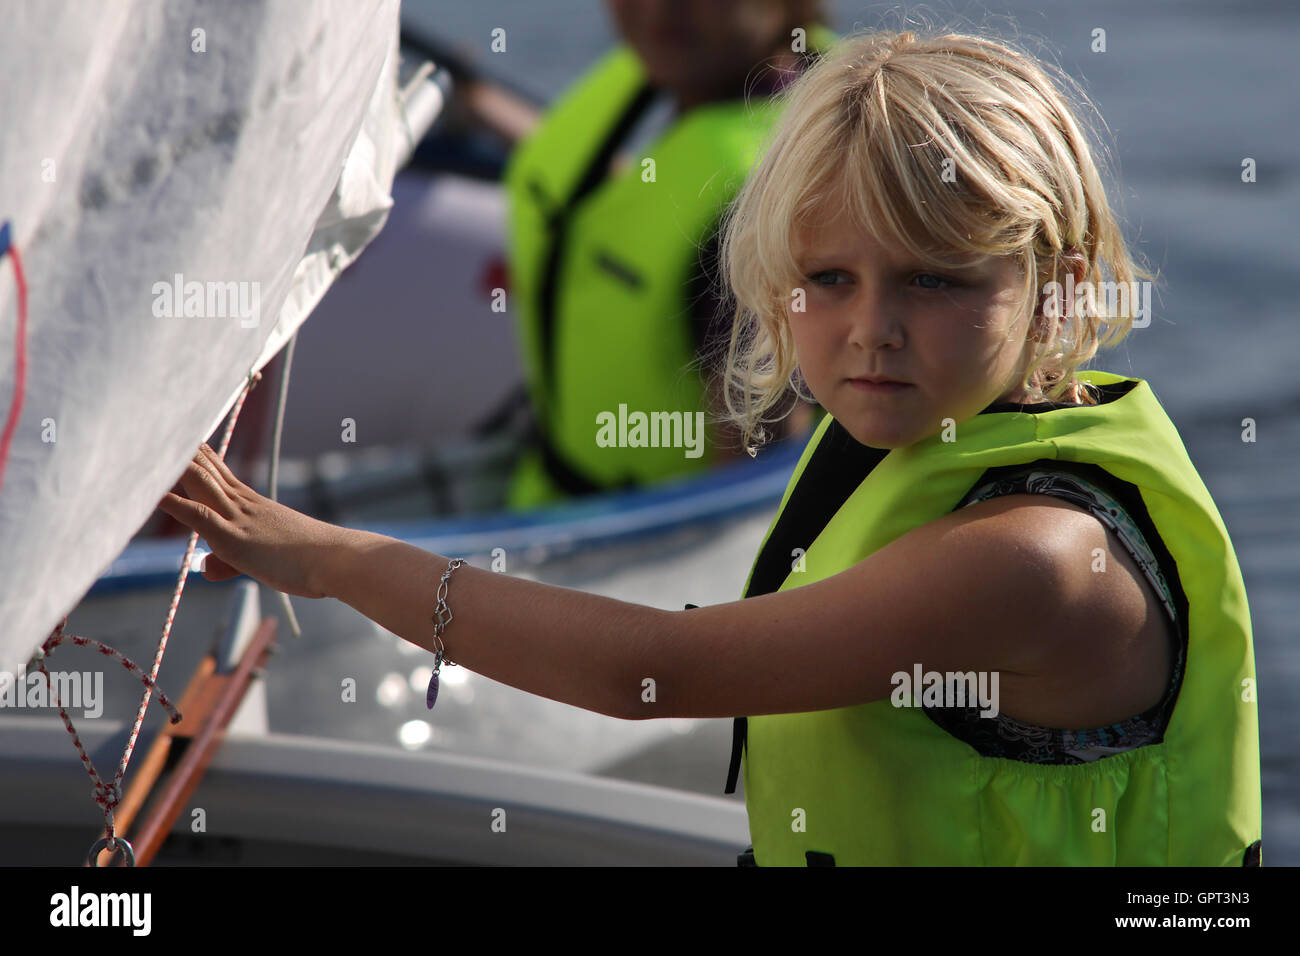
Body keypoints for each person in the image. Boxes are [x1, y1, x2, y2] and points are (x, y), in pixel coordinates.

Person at [159, 28, 1261, 866]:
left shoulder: (1037, 557)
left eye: (935, 278)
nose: (870, 325)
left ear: (1058, 284)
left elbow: (655, 673)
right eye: (828, 279)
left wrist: (329, 557)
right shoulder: (934, 420)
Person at [501, 0, 833, 509]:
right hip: (550, 490)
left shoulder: (763, 212)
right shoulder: (700, 78)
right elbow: (629, 189)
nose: (659, 9)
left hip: (631, 554)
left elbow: (753, 476)